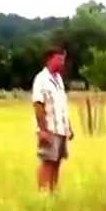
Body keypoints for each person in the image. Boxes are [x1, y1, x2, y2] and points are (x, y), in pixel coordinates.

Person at [32, 48, 73, 194]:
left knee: (57, 161)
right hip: (49, 128)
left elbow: (61, 104)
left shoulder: (59, 79)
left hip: (61, 128)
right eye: (59, 59)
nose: (62, 62)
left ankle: (53, 191)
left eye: (63, 59)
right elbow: (38, 105)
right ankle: (43, 193)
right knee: (47, 161)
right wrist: (43, 130)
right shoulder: (41, 79)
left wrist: (69, 126)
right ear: (49, 59)